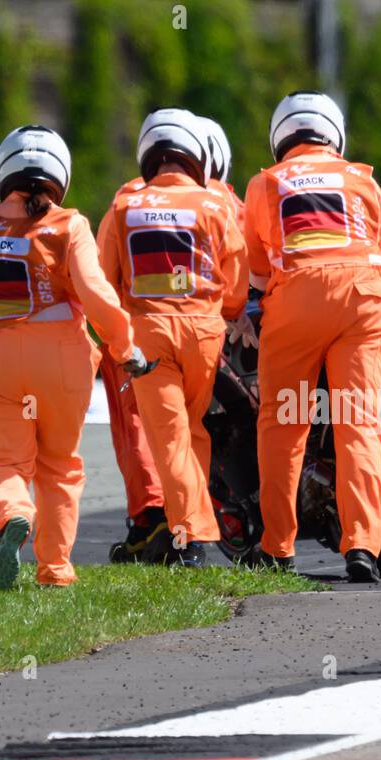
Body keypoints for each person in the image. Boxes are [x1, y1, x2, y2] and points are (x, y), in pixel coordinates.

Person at [0, 125, 147, 588]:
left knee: (3, 463)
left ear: (4, 171)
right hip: (61, 356)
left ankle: (13, 516)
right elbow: (96, 294)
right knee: (59, 464)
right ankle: (55, 569)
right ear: (60, 172)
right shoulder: (69, 224)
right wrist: (123, 345)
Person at [242, 91, 381, 582]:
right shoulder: (363, 180)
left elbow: (256, 271)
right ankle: (363, 547)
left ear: (280, 138)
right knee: (358, 423)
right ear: (335, 136)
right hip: (364, 298)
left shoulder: (267, 182)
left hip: (298, 305)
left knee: (284, 422)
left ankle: (278, 546)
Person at [96, 109, 247, 568]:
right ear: (196, 157)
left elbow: (103, 281)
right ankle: (188, 530)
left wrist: (117, 336)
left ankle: (190, 540)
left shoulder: (124, 206)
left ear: (148, 156)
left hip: (149, 337)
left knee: (171, 438)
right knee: (191, 432)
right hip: (205, 333)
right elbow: (236, 290)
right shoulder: (218, 205)